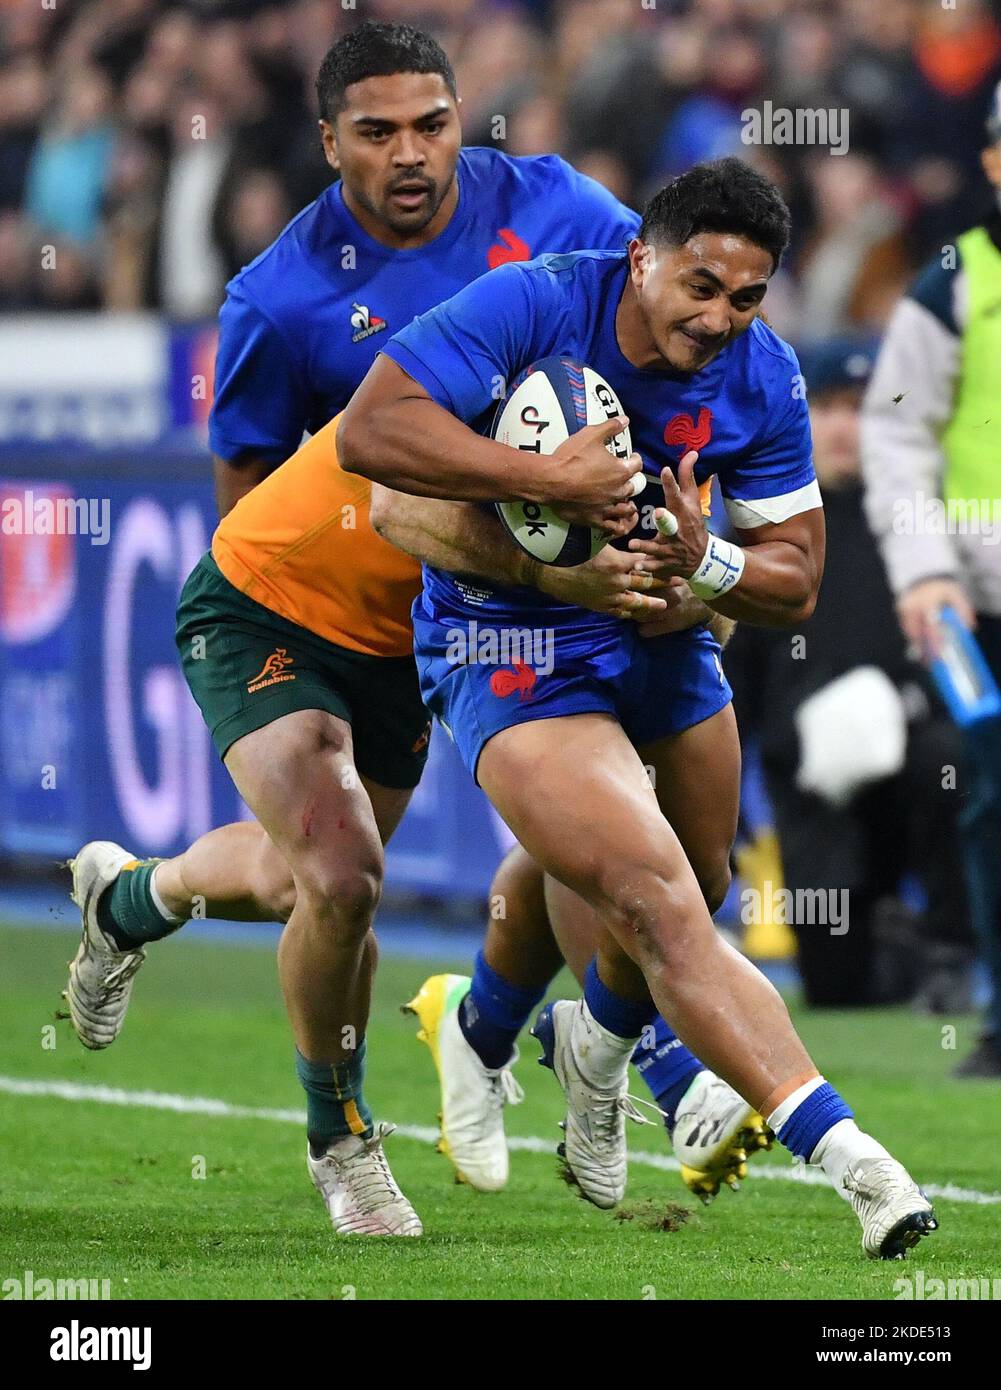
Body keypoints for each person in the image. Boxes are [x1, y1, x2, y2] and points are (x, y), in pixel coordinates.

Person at [61, 21, 751, 1238]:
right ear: (328, 143)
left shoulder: (554, 208)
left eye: (431, 123)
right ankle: (345, 1136)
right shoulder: (278, 297)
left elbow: (663, 333)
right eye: (375, 132)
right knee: (343, 872)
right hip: (283, 597)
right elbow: (249, 497)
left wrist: (691, 549)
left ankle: (131, 898)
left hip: (453, 614)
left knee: (313, 876)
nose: (411, 153)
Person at [338, 157, 937, 1258]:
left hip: (662, 631)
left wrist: (706, 561)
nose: (718, 318)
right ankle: (856, 1160)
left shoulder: (763, 375)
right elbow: (369, 438)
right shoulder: (531, 302)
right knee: (657, 895)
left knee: (684, 873)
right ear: (640, 256)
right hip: (509, 636)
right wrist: (553, 490)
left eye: (745, 297)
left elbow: (792, 577)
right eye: (698, 286)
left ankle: (556, 1042)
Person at [727, 340, 973, 1009]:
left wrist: (907, 704)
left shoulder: (921, 530)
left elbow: (963, 664)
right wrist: (721, 807)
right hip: (809, 785)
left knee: (951, 765)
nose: (845, 427)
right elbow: (732, 679)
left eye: (863, 410)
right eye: (830, 408)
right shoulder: (764, 528)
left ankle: (949, 946)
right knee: (834, 987)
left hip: (910, 770)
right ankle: (895, 946)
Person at [861, 79, 1001, 1078]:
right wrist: (920, 572)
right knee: (989, 800)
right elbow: (897, 430)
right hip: (980, 597)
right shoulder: (950, 285)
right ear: (989, 162)